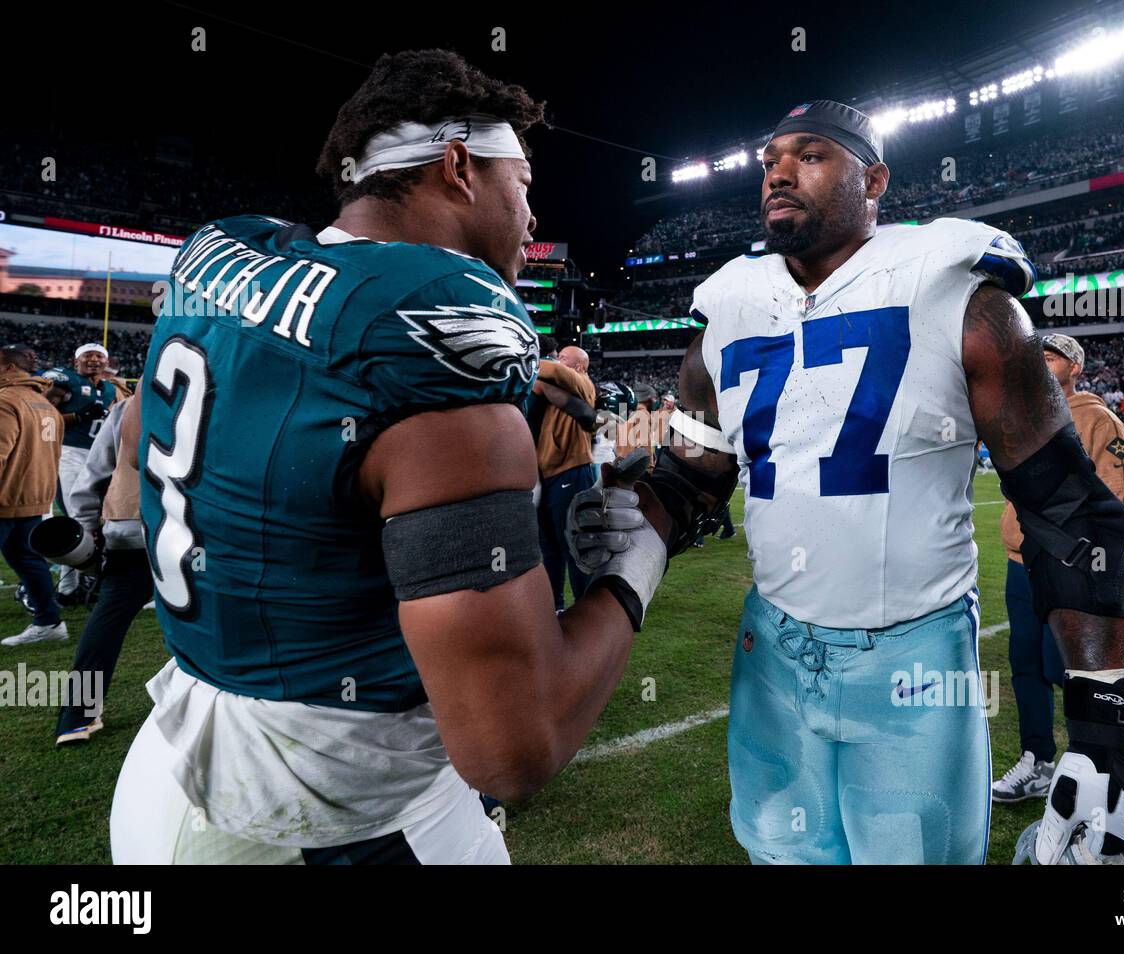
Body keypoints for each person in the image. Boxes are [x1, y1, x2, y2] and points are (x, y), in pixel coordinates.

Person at [110, 49, 668, 865]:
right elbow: (514, 745)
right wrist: (640, 559)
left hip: (169, 769)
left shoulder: (224, 266)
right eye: (524, 185)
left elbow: (137, 438)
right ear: (458, 167)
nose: (531, 217)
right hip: (337, 815)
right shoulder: (430, 335)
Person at [571, 100, 1124, 865]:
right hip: (772, 650)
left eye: (811, 155)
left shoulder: (964, 299)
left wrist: (1103, 713)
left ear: (873, 179)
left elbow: (1064, 508)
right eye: (770, 158)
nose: (779, 171)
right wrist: (631, 520)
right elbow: (692, 482)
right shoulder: (723, 316)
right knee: (779, 853)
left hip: (914, 656)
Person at [993, 334, 1124, 803]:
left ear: (1075, 367)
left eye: (1050, 355)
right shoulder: (1026, 416)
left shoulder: (1099, 420)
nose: (1040, 361)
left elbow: (1116, 498)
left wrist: (1090, 559)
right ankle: (1037, 760)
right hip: (1023, 561)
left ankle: (1089, 769)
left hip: (1073, 564)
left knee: (1072, 669)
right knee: (1026, 664)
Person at [54, 395, 155, 744]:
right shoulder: (228, 387)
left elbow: (94, 474)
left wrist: (86, 533)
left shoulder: (131, 404)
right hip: (203, 534)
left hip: (132, 527)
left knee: (108, 619)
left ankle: (75, 716)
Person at [0, 344, 66, 645]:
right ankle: (49, 621)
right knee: (27, 559)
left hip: (5, 497)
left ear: (10, 368)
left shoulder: (6, 401)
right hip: (34, 497)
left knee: (26, 559)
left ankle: (49, 621)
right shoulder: (45, 404)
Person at [41, 342, 117, 604]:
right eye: (88, 356)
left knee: (96, 519)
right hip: (70, 453)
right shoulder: (65, 381)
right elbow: (44, 417)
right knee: (77, 519)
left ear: (106, 362)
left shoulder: (109, 388)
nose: (94, 360)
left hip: (97, 456)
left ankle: (80, 582)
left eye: (99, 356)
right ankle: (68, 588)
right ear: (76, 361)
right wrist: (79, 416)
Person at [534, 345, 598, 611]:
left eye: (562, 358)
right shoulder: (556, 385)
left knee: (576, 547)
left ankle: (585, 612)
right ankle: (555, 608)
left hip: (572, 470)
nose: (556, 361)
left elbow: (547, 369)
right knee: (549, 548)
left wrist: (527, 360)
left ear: (579, 366)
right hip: (547, 475)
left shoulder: (583, 383)